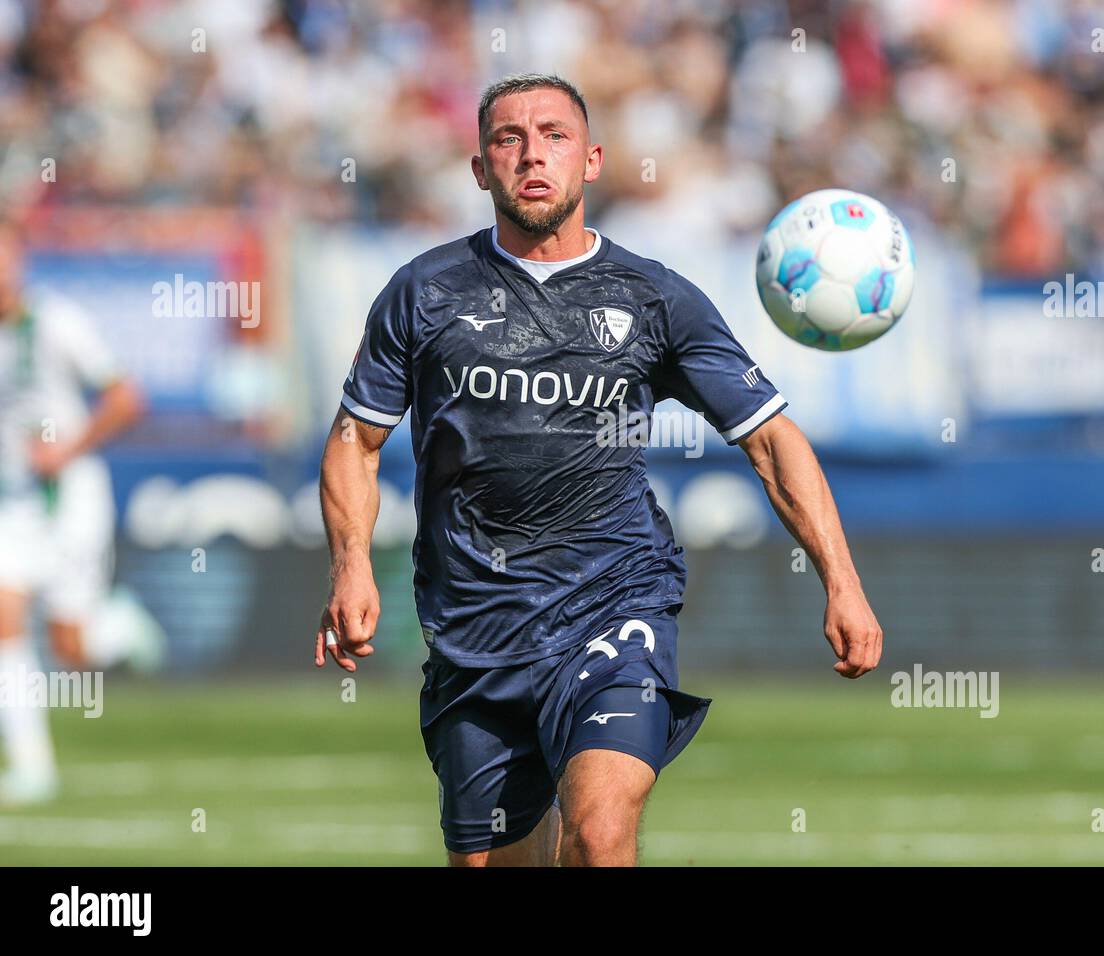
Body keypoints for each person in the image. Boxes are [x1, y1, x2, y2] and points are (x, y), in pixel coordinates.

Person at [315, 74, 884, 866]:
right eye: (507, 139)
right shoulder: (424, 292)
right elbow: (354, 441)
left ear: (591, 160)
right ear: (480, 169)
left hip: (615, 602)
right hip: (477, 627)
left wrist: (843, 581)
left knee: (601, 830)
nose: (531, 154)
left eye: (553, 135)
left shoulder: (655, 298)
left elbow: (771, 439)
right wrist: (350, 569)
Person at [0, 219, 148, 805]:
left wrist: (67, 448)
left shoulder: (55, 323)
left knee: (71, 648)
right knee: (4, 617)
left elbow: (125, 398)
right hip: (13, 503)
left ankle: (124, 626)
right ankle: (33, 768)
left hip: (71, 501)